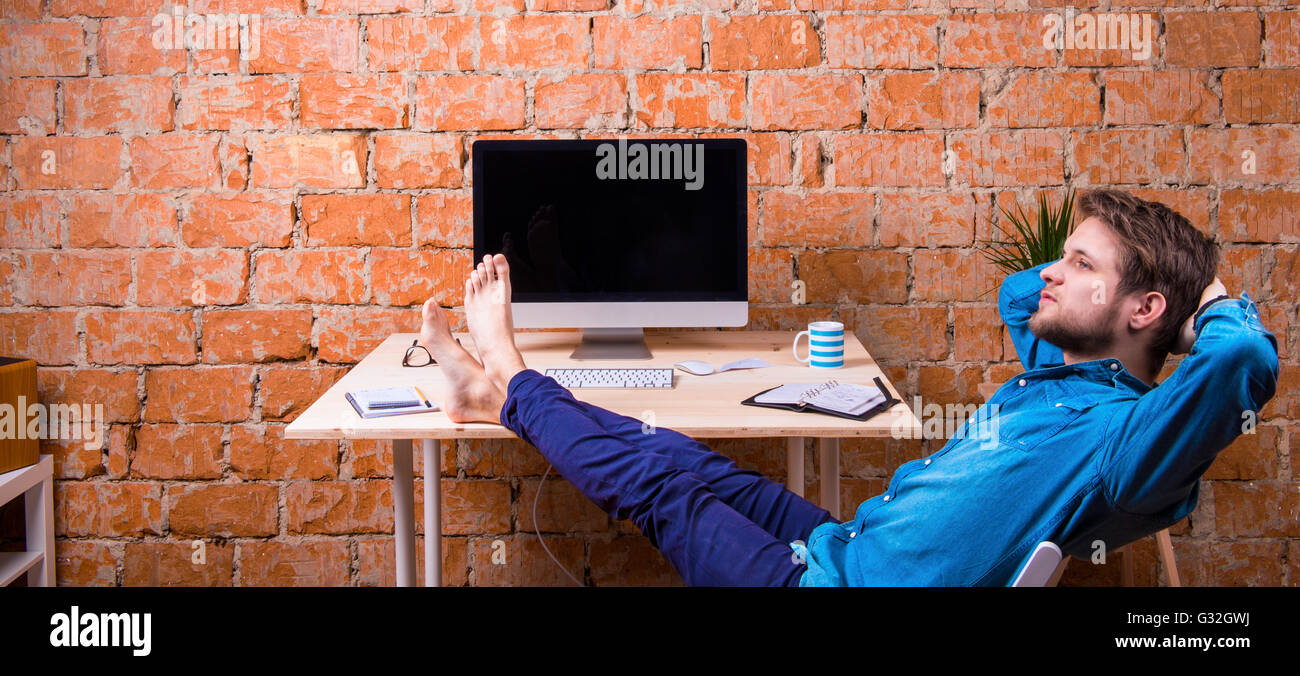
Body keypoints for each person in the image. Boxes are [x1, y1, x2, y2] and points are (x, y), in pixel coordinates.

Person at [420, 189, 1279, 586]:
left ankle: (508, 372)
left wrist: (1204, 303)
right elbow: (1022, 294)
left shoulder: (1130, 448)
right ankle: (494, 397)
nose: (1049, 273)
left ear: (1148, 307)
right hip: (847, 541)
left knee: (655, 492)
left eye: (1080, 264)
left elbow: (1238, 364)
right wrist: (1108, 287)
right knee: (680, 456)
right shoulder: (1063, 378)